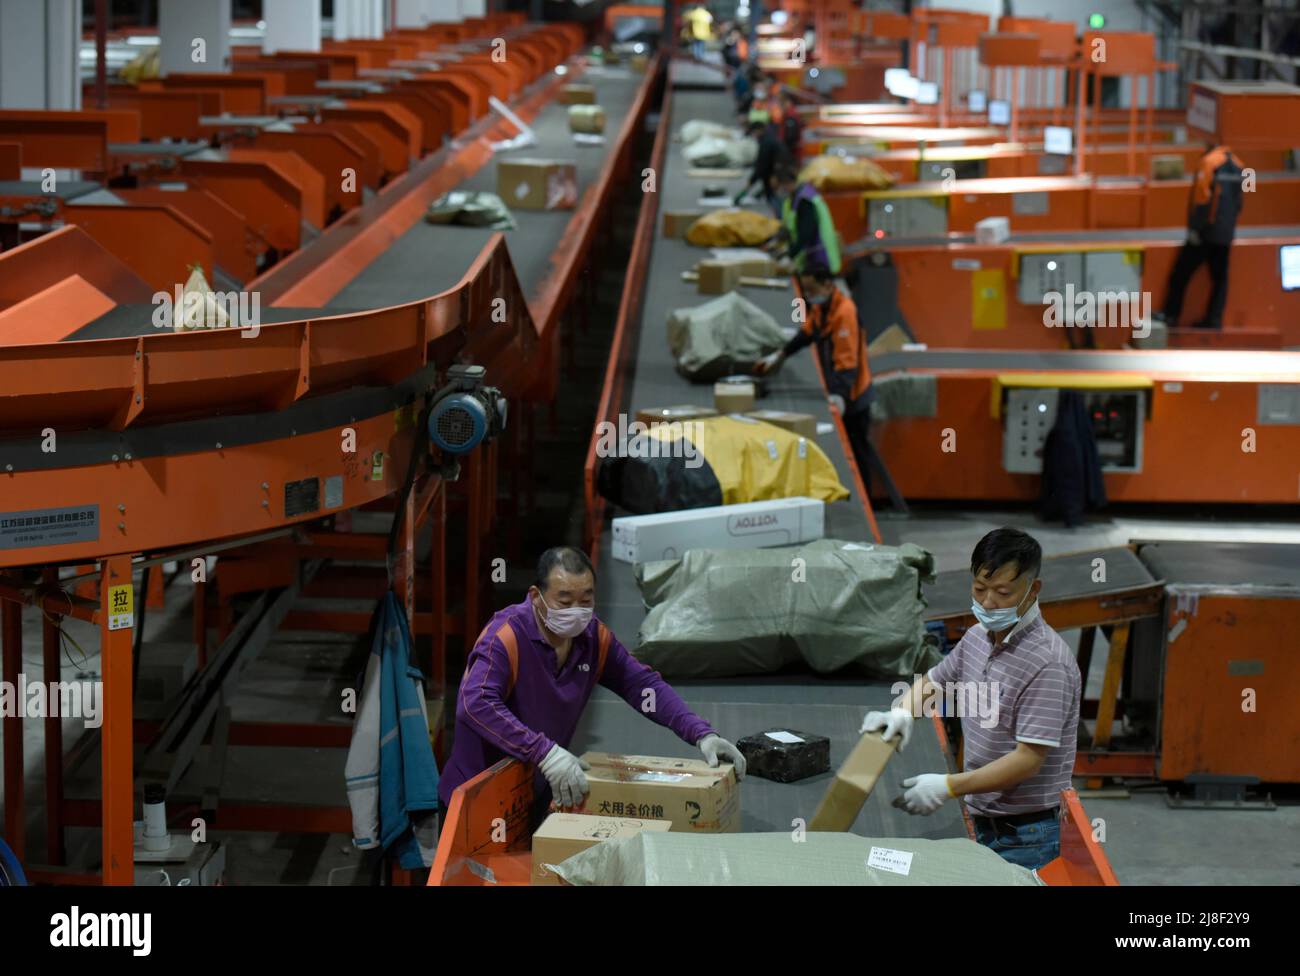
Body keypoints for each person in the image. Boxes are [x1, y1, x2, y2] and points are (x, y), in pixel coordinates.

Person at [438, 546, 747, 825]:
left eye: (586, 600)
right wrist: (543, 751)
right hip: (477, 800)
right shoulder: (505, 638)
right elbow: (474, 704)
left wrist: (701, 733)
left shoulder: (593, 639)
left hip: (535, 794)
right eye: (565, 601)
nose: (577, 610)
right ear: (536, 596)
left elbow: (642, 686)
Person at [860, 528, 1081, 870]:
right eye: (980, 589)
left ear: (1033, 589)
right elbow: (935, 681)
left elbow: (1027, 760)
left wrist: (948, 786)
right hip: (984, 818)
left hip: (1029, 833)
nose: (989, 603)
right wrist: (901, 713)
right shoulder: (979, 636)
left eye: (1003, 592)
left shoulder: (1048, 664)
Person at [753, 262, 907, 512]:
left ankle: (863, 504)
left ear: (827, 284)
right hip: (843, 391)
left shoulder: (844, 312)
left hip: (855, 397)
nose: (809, 296)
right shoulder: (823, 307)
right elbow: (808, 332)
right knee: (853, 453)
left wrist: (839, 397)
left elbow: (847, 363)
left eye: (812, 290)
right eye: (806, 291)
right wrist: (781, 354)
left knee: (857, 455)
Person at [1155, 142, 1244, 330]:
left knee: (1181, 273)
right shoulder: (1241, 165)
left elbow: (1201, 197)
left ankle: (1171, 315)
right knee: (1220, 279)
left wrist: (1195, 228)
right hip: (1226, 233)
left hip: (1206, 232)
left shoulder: (1209, 162)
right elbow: (1241, 200)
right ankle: (1214, 320)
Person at [764, 162, 841, 276]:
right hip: (809, 257)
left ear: (786, 183)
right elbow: (788, 227)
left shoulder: (805, 201)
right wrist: (774, 242)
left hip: (819, 257)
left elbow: (805, 233)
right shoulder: (791, 200)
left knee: (815, 291)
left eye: (779, 187)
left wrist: (789, 255)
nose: (779, 192)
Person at [734, 110, 792, 210]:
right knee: (773, 194)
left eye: (754, 132)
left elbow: (762, 164)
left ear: (758, 130)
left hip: (776, 171)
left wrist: (752, 181)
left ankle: (780, 216)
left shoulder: (766, 143)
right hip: (778, 169)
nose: (753, 135)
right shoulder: (769, 138)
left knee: (773, 197)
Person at [779, 90, 803, 163]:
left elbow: (791, 136)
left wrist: (784, 148)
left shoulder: (791, 116)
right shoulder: (789, 114)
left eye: (782, 103)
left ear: (788, 102)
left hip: (791, 150)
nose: (781, 105)